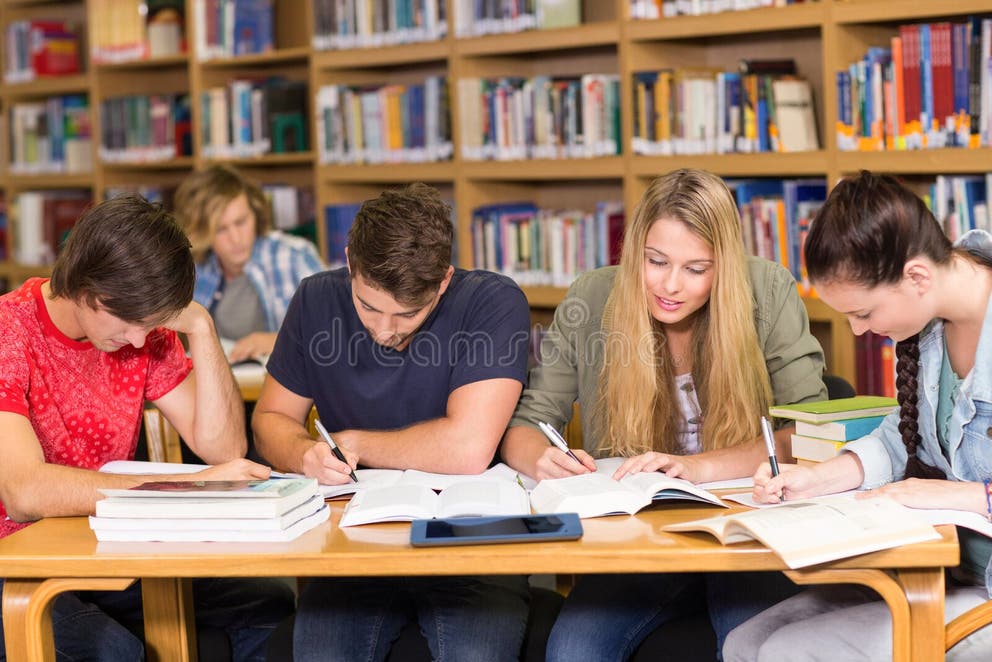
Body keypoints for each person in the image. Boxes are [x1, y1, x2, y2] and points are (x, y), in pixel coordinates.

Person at [501, 168, 827, 660]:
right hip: (639, 540)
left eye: (696, 269)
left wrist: (696, 468)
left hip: (747, 531)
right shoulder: (591, 298)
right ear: (636, 251)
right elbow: (527, 425)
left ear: (725, 265)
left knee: (752, 647)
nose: (671, 285)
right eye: (656, 262)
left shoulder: (769, 291)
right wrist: (541, 458)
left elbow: (809, 433)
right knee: (572, 649)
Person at [0, 195, 295, 662]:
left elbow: (223, 449)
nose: (139, 340)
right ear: (86, 287)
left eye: (151, 323)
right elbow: (24, 493)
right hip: (14, 560)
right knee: (111, 650)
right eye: (131, 323)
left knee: (269, 602)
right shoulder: (9, 330)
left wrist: (200, 326)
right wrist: (181, 487)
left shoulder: (140, 325)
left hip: (100, 547)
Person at [252, 183, 532, 661]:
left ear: (443, 281)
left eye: (408, 313)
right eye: (368, 306)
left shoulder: (492, 301)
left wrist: (352, 443)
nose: (384, 330)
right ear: (349, 262)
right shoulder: (315, 299)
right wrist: (302, 453)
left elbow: (467, 450)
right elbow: (271, 418)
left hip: (470, 543)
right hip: (352, 544)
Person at [724, 171, 992, 662]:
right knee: (742, 643)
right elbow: (899, 438)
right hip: (939, 568)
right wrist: (817, 478)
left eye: (864, 314)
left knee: (785, 653)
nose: (856, 331)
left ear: (917, 277)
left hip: (982, 589)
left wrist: (966, 496)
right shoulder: (930, 323)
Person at [174, 164, 324, 363]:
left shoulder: (294, 256)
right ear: (203, 233)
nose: (236, 238)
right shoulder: (194, 270)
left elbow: (334, 335)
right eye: (221, 229)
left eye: (241, 222)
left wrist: (277, 341)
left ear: (255, 214)